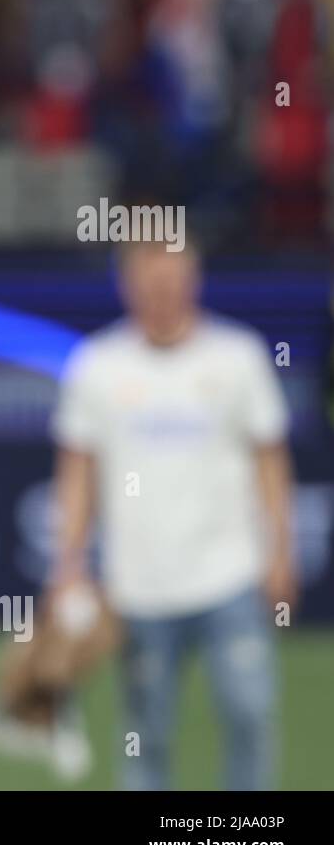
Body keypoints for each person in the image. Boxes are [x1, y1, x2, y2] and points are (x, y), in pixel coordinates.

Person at [49, 236, 295, 791]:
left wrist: (282, 550)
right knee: (145, 737)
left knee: (251, 715)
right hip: (139, 588)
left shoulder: (239, 358)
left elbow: (271, 464)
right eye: (149, 284)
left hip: (230, 577)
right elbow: (77, 476)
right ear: (127, 285)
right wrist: (68, 565)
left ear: (194, 281)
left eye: (171, 282)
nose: (161, 295)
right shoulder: (98, 366)